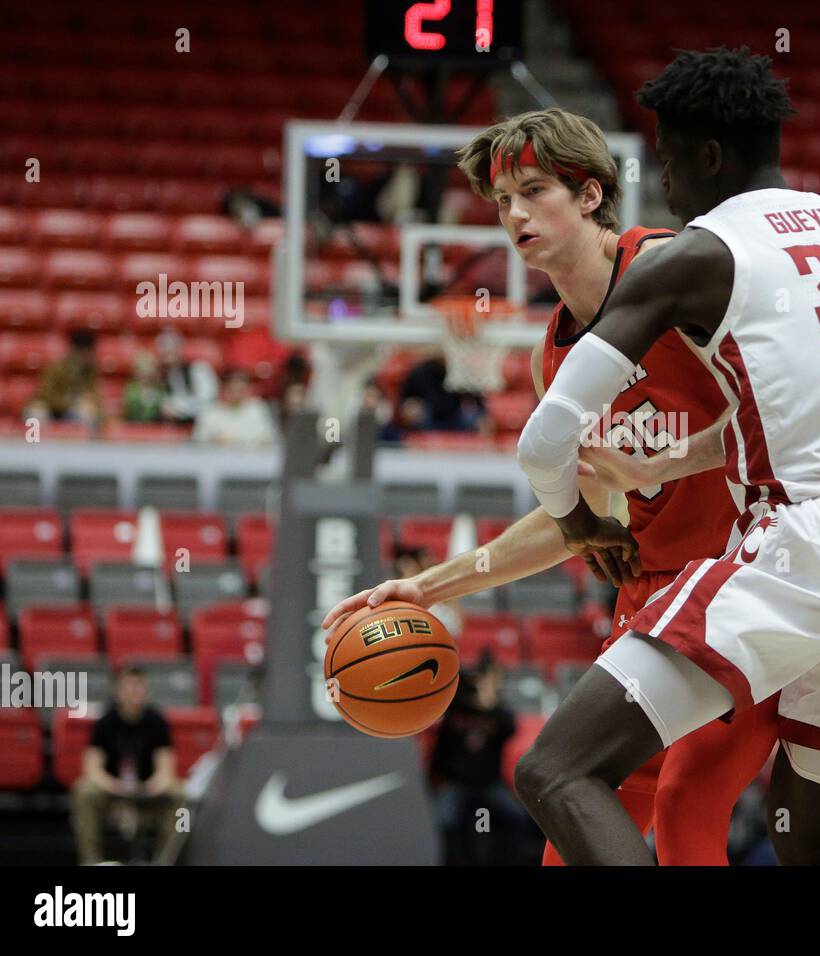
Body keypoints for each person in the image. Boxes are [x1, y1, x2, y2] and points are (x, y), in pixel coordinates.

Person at [508, 46, 820, 865]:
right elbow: (794, 405)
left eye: (668, 163)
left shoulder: (697, 255)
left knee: (557, 771)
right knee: (809, 841)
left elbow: (544, 443)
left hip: (803, 550)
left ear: (709, 156)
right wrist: (666, 467)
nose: (665, 189)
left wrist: (577, 522)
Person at [322, 106, 780, 866]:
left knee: (686, 819)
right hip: (656, 607)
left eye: (534, 191)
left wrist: (665, 465)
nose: (514, 214)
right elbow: (579, 514)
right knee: (571, 839)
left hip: (749, 586)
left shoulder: (680, 274)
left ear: (592, 195)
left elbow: (780, 424)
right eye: (503, 200)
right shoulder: (554, 361)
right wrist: (431, 588)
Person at [71, 668, 185, 865]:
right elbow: (92, 767)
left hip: (149, 792)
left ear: (147, 691)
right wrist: (115, 787)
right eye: (129, 687)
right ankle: (91, 861)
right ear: (118, 691)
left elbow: (166, 767)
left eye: (139, 687)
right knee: (83, 791)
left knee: (181, 795)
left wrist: (151, 786)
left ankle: (169, 859)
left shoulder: (158, 722)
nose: (134, 692)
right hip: (112, 792)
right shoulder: (105, 723)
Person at [428, 656, 532, 865]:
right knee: (447, 823)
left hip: (489, 784)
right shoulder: (458, 704)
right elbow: (441, 729)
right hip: (457, 783)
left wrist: (489, 702)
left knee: (516, 818)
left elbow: (510, 727)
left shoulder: (497, 711)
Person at [25, 330, 102, 425]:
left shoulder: (89, 371)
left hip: (71, 413)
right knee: (36, 413)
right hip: (50, 408)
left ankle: (81, 439)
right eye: (84, 353)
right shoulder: (55, 368)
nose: (87, 357)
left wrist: (89, 402)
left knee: (89, 413)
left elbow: (93, 395)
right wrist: (70, 404)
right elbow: (45, 394)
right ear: (74, 350)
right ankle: (36, 440)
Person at [193, 368, 278, 448]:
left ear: (248, 390)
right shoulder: (210, 412)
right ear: (223, 389)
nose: (236, 395)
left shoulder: (258, 409)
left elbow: (270, 437)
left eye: (241, 390)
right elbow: (199, 440)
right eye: (232, 390)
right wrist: (213, 440)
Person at [155, 328, 219, 425]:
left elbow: (207, 402)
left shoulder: (199, 369)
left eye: (171, 352)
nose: (167, 358)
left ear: (180, 351)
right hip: (181, 423)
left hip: (205, 422)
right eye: (164, 354)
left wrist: (179, 409)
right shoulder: (168, 376)